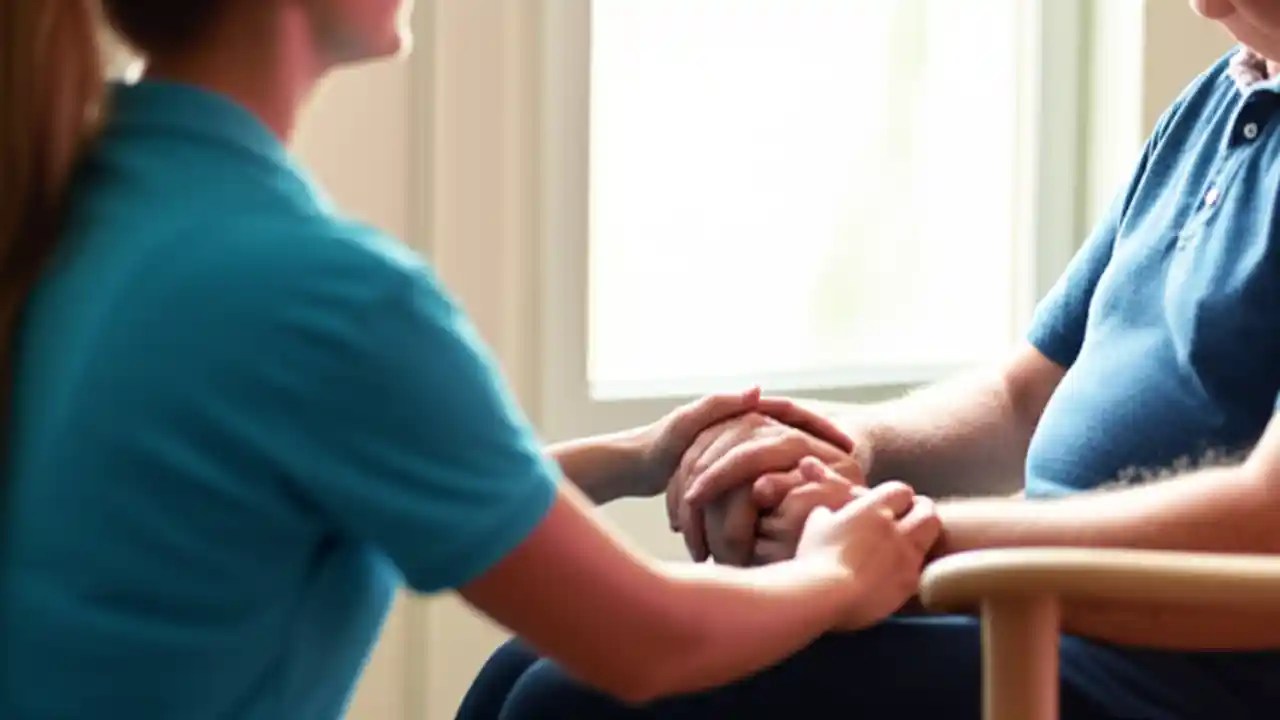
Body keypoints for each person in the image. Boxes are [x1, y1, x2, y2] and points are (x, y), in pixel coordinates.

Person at [0, 2, 944, 718]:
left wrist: (640, 456)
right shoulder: (318, 293)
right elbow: (650, 643)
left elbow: (395, 472)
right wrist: (837, 574)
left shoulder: (92, 197)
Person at [467, 1, 1280, 719]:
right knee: (535, 664)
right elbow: (1023, 399)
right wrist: (837, 448)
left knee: (573, 702)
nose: (1205, 7)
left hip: (1190, 670)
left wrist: (889, 538)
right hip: (1041, 617)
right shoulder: (1217, 100)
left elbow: (1264, 524)